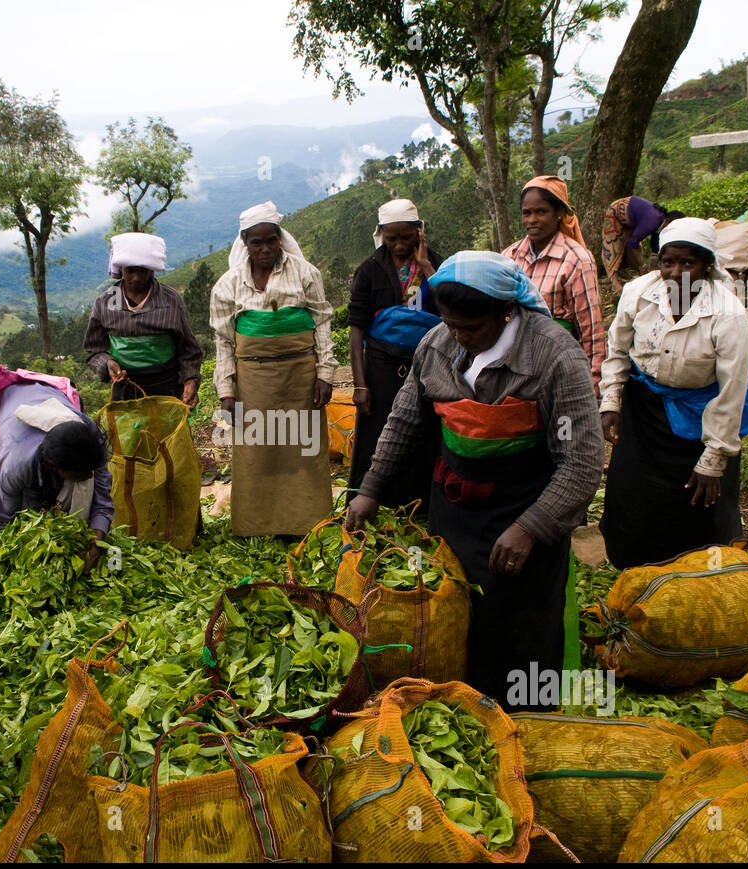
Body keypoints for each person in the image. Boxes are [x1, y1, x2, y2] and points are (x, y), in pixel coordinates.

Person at [345, 253, 603, 704]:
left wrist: (531, 527)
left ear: (506, 312)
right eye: (450, 324)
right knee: (455, 613)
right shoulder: (436, 345)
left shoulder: (554, 356)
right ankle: (461, 706)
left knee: (519, 624)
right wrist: (370, 489)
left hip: (524, 506)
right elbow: (403, 422)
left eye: (471, 327)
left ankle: (526, 717)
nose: (459, 338)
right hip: (456, 510)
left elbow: (581, 461)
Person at [599, 217, 748, 570]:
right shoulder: (638, 293)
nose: (676, 272)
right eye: (668, 262)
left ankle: (697, 576)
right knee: (635, 496)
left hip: (702, 418)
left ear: (706, 266)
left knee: (697, 502)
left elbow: (733, 391)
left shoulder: (727, 314)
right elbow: (618, 348)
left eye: (688, 263)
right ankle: (636, 570)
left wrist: (714, 458)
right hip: (645, 414)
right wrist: (611, 399)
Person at [210, 200, 337, 537]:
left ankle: (307, 523)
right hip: (254, 382)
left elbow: (322, 323)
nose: (265, 249)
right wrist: (226, 391)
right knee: (258, 452)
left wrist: (325, 374)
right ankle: (258, 526)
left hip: (301, 379)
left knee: (303, 448)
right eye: (256, 242)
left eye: (271, 240)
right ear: (244, 243)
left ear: (281, 238)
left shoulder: (305, 273)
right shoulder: (227, 285)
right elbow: (224, 342)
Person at [345, 198, 444, 508]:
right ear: (381, 235)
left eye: (407, 237)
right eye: (392, 238)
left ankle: (420, 505)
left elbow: (451, 309)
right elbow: (356, 329)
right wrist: (360, 384)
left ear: (420, 233)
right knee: (379, 434)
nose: (399, 245)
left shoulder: (437, 266)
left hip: (428, 366)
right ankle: (373, 503)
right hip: (380, 369)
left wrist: (427, 265)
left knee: (423, 434)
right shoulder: (370, 270)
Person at [0, 367, 113, 568]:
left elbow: (103, 498)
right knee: (27, 503)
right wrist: (13, 563)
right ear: (53, 466)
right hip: (5, 405)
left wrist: (96, 540)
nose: (90, 476)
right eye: (81, 474)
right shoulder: (14, 466)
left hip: (49, 394)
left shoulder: (90, 440)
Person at [503, 175, 605, 395]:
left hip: (557, 366)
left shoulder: (576, 260)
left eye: (541, 212)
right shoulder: (510, 256)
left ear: (559, 213)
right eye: (526, 213)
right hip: (514, 368)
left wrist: (593, 386)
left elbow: (591, 332)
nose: (532, 220)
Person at [83, 232, 203, 405]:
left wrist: (190, 380)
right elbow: (94, 349)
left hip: (167, 388)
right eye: (130, 271)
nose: (137, 277)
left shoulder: (170, 300)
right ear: (121, 268)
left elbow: (188, 348)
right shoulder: (107, 302)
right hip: (126, 390)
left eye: (143, 271)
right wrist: (107, 362)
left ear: (152, 269)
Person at [602, 196, 684, 294]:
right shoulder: (652, 222)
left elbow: (655, 247)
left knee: (635, 247)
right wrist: (641, 265)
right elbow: (632, 243)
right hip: (617, 211)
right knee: (614, 245)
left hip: (631, 219)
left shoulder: (659, 224)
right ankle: (615, 283)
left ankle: (630, 272)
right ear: (667, 221)